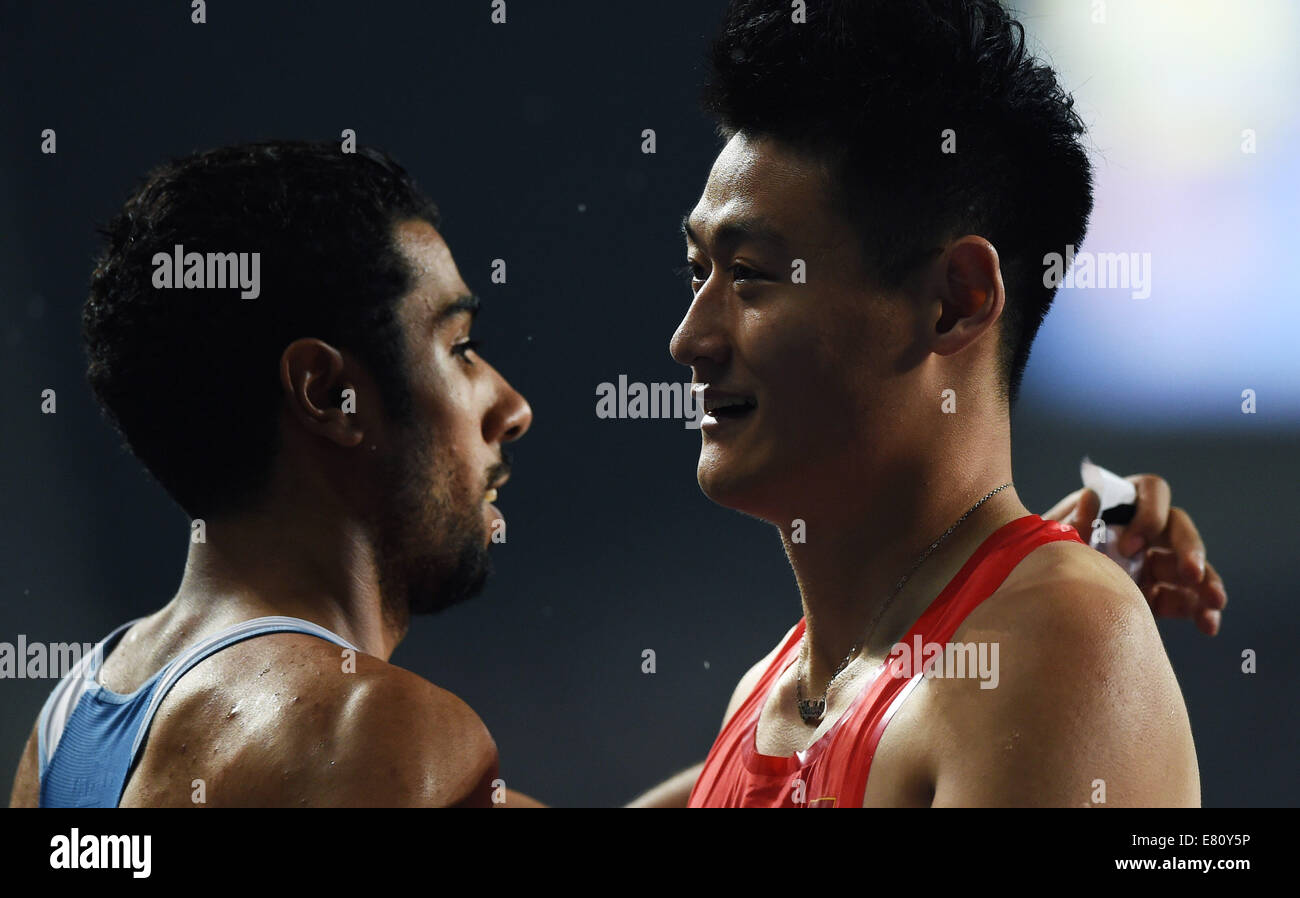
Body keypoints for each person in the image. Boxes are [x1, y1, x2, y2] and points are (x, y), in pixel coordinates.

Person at [8, 134, 1220, 808]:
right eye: (461, 348)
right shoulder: (380, 739)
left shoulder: (71, 721)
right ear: (329, 391)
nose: (513, 405)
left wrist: (939, 637)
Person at [634, 0, 1224, 808]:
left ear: (955, 301)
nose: (689, 339)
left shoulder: (1055, 641)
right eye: (697, 271)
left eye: (751, 276)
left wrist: (1032, 605)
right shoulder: (765, 699)